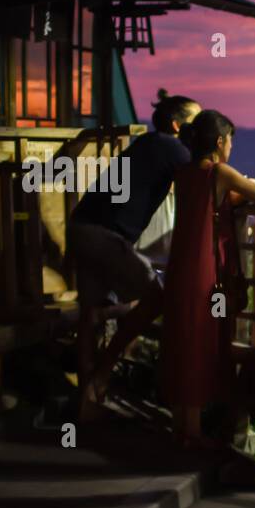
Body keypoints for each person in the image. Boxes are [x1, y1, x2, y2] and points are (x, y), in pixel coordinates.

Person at [69, 89, 199, 420]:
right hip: (108, 236)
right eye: (195, 121)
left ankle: (86, 402)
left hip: (82, 227)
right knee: (157, 298)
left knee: (88, 313)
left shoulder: (145, 144)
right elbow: (202, 180)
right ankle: (104, 369)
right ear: (176, 124)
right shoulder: (174, 147)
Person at [161, 110, 255, 446]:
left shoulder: (184, 173)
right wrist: (247, 185)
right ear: (219, 142)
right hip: (205, 272)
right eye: (230, 140)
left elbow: (207, 203)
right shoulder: (220, 172)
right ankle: (194, 434)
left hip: (180, 268)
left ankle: (181, 426)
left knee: (182, 342)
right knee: (202, 342)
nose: (231, 147)